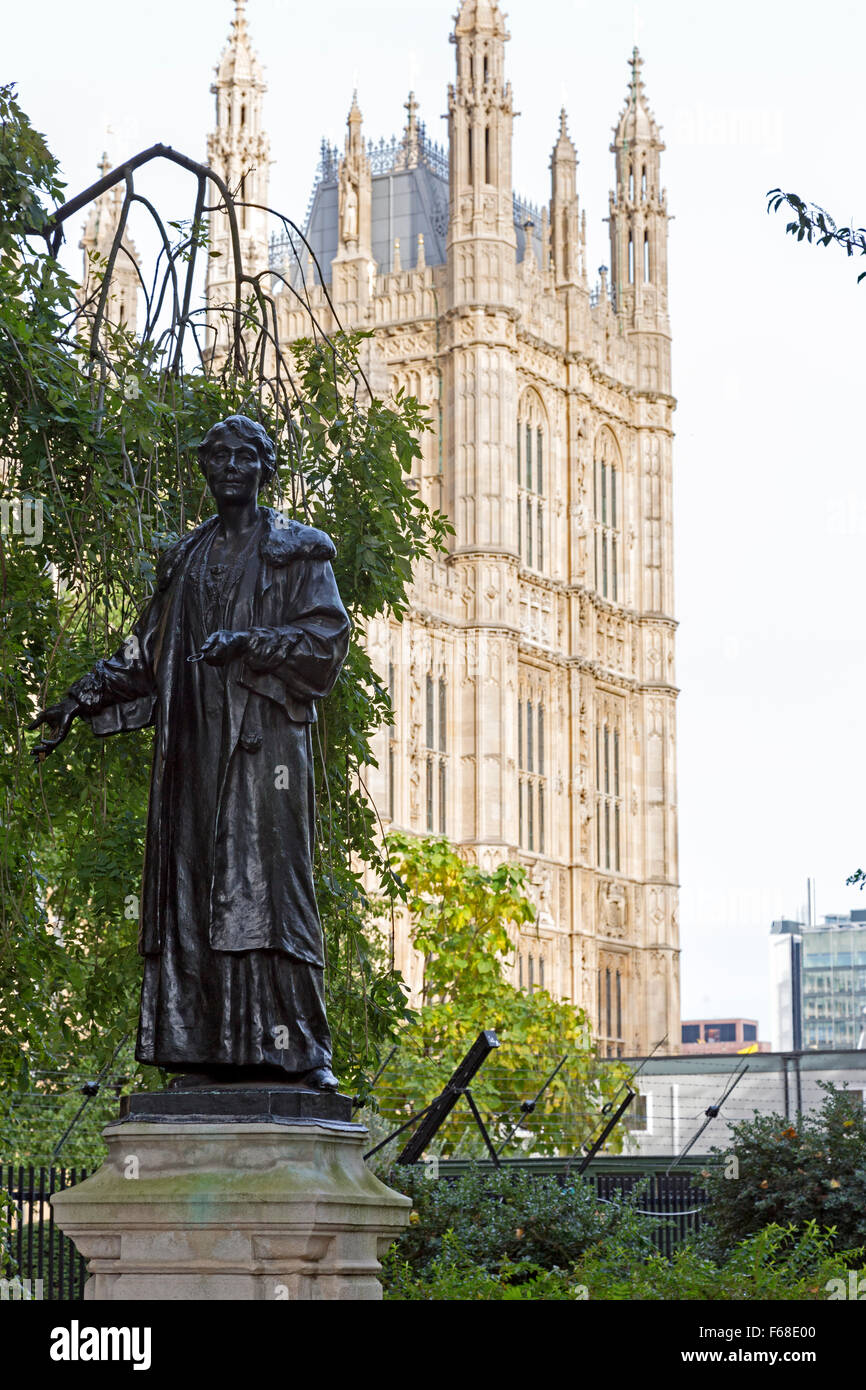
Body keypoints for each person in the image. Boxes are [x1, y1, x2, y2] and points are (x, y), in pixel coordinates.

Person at [31, 416, 350, 1090]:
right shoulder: (185, 558)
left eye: (244, 456)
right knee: (195, 891)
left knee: (269, 895)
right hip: (193, 749)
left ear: (265, 468)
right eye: (218, 456)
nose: (230, 467)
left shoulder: (298, 552)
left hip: (263, 756)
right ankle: (206, 1050)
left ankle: (297, 1052)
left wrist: (250, 643)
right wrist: (77, 698)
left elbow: (324, 644)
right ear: (205, 468)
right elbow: (143, 654)